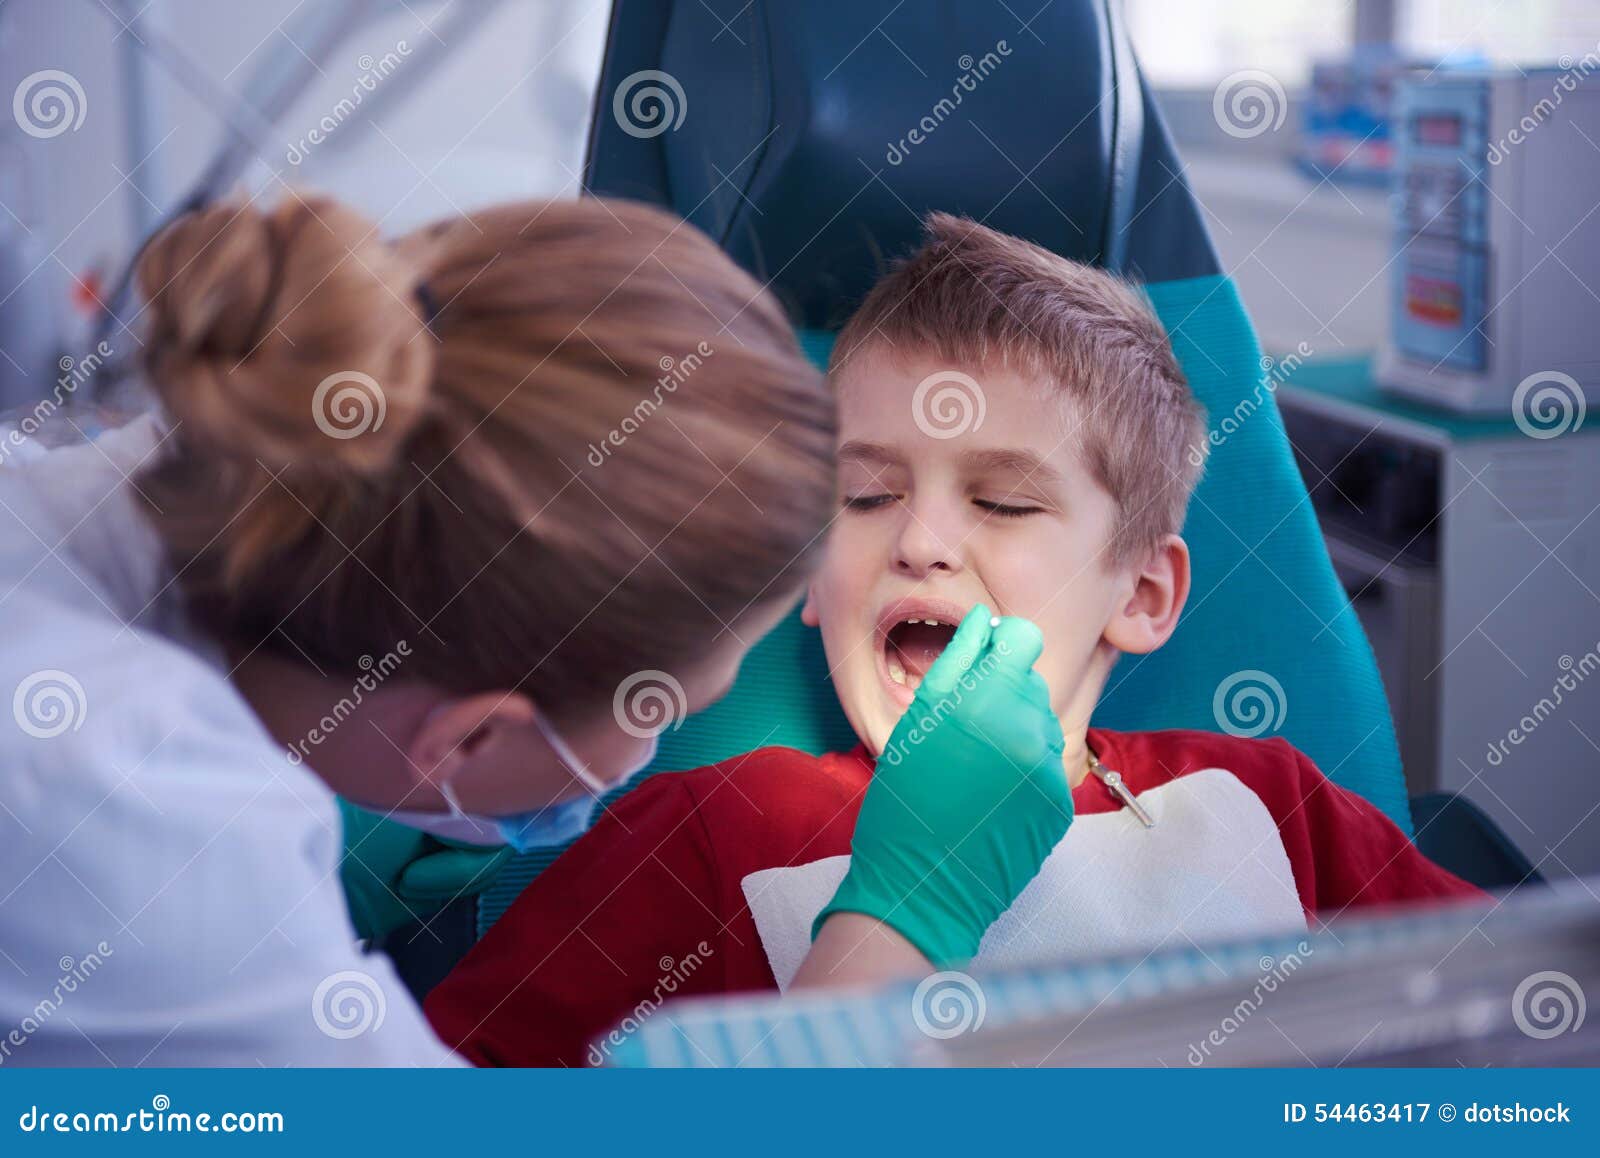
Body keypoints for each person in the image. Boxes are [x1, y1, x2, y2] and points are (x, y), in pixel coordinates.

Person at [423, 215, 1486, 1067]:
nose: (920, 542)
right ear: (803, 571)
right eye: (867, 494)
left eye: (1006, 505)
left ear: (1144, 594)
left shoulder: (1271, 805)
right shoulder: (715, 828)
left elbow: (1533, 1029)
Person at [0, 192, 835, 1065]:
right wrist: (892, 922)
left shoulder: (146, 495)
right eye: (665, 709)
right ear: (470, 737)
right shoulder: (135, 809)